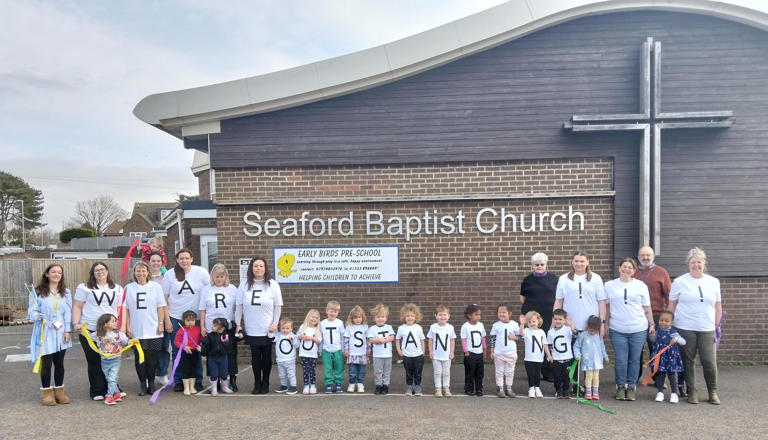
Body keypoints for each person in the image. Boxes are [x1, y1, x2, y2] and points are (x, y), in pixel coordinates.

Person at [668, 247, 722, 405]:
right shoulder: (679, 282)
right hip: (685, 327)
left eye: (699, 262)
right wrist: (670, 326)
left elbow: (718, 306)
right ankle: (692, 391)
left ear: (704, 263)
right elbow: (672, 305)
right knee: (688, 361)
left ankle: (712, 391)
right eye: (693, 262)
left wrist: (716, 325)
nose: (696, 265)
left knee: (709, 361)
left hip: (707, 328)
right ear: (688, 264)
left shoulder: (713, 282)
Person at [605, 257, 654, 401]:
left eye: (630, 267)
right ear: (619, 268)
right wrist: (604, 323)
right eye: (624, 266)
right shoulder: (609, 285)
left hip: (638, 329)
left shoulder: (641, 286)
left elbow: (647, 307)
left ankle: (631, 386)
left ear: (634, 271)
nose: (626, 269)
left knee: (634, 359)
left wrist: (651, 324)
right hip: (617, 329)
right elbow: (606, 306)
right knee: (621, 359)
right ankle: (620, 386)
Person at [72, 262, 123, 401]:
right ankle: (96, 390)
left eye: (102, 269)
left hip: (110, 332)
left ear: (107, 271)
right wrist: (76, 323)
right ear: (93, 273)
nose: (100, 272)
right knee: (94, 360)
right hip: (89, 331)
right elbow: (77, 306)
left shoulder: (117, 288)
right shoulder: (84, 288)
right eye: (97, 270)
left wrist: (120, 326)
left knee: (110, 360)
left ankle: (113, 388)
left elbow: (120, 309)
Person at [162, 248, 209, 392]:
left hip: (195, 319)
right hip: (176, 317)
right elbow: (164, 299)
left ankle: (197, 381)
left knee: (195, 350)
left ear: (192, 259)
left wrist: (204, 321)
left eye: (187, 258)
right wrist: (167, 320)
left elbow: (209, 292)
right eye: (181, 258)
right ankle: (178, 381)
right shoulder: (170, 274)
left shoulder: (201, 272)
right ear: (177, 260)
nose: (184, 261)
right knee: (177, 350)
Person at [235, 256, 282, 395]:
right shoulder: (244, 285)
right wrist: (238, 324)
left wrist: (275, 323)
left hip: (267, 328)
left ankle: (265, 383)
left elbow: (278, 306)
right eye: (256, 266)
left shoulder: (272, 284)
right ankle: (257, 383)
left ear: (265, 268)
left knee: (266, 357)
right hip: (252, 328)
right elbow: (239, 306)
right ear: (251, 268)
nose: (258, 268)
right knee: (255, 358)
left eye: (261, 266)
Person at [28, 263, 72, 406]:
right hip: (45, 332)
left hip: (61, 333)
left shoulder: (66, 292)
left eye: (59, 272)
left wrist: (67, 330)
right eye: (53, 272)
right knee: (46, 364)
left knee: (59, 364)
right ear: (47, 274)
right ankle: (47, 394)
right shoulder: (37, 292)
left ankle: (59, 392)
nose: (56, 274)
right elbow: (31, 311)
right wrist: (36, 315)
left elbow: (67, 313)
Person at [123, 262, 165, 396]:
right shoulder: (129, 288)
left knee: (152, 358)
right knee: (139, 358)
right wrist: (127, 326)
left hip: (153, 328)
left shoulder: (156, 287)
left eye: (143, 271)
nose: (141, 273)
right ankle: (142, 384)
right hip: (136, 329)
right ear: (134, 273)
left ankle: (151, 384)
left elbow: (160, 307)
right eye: (138, 271)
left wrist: (161, 323)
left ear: (148, 272)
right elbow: (126, 309)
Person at [199, 263, 240, 392]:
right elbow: (202, 309)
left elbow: (237, 308)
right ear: (212, 276)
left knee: (230, 353)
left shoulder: (232, 289)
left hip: (227, 327)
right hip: (212, 327)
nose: (219, 279)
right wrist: (202, 326)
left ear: (226, 276)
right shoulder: (206, 289)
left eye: (222, 276)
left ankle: (231, 380)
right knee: (212, 354)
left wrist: (237, 324)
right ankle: (214, 381)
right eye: (217, 276)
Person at [635, 246, 672, 388]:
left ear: (653, 256)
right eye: (642, 255)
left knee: (656, 349)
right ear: (638, 257)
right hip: (636, 316)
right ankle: (634, 377)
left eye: (648, 255)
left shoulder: (661, 272)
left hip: (656, 317)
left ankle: (658, 379)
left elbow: (669, 295)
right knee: (636, 349)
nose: (645, 257)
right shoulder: (633, 272)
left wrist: (667, 316)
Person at [520, 252, 559, 382]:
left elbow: (558, 297)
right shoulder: (527, 280)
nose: (539, 266)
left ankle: (548, 372)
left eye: (542, 264)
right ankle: (533, 371)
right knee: (532, 342)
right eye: (537, 264)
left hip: (548, 315)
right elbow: (522, 298)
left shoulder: (554, 279)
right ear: (532, 265)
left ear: (546, 264)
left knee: (546, 341)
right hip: (533, 316)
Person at [553, 251, 607, 336]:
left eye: (582, 261)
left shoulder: (596, 278)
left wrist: (602, 323)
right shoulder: (564, 279)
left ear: (587, 262)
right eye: (576, 261)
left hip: (591, 326)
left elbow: (601, 302)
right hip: (569, 325)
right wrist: (554, 322)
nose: (579, 264)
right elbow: (559, 301)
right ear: (572, 262)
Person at [93, 313, 131, 405]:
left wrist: (133, 341)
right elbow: (86, 335)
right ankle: (117, 393)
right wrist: (80, 329)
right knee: (109, 378)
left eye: (115, 321)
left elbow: (127, 342)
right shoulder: (98, 334)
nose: (115, 323)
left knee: (112, 378)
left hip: (116, 360)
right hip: (104, 361)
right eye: (113, 321)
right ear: (105, 324)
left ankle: (109, 396)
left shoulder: (119, 334)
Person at [649, 311, 686, 403]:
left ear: (671, 322)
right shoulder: (658, 330)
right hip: (660, 357)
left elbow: (683, 342)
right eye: (661, 320)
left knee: (671, 375)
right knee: (660, 375)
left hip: (670, 357)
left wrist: (676, 339)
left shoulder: (673, 332)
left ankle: (674, 394)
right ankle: (660, 392)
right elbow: (653, 340)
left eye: (666, 321)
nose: (663, 322)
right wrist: (652, 335)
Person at [573, 315, 609, 400]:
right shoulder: (582, 335)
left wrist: (606, 357)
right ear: (587, 326)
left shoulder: (599, 336)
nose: (592, 332)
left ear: (598, 329)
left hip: (597, 360)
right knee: (589, 376)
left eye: (594, 330)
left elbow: (602, 348)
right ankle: (588, 391)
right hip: (587, 360)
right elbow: (576, 346)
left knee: (596, 376)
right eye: (590, 330)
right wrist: (577, 355)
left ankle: (595, 392)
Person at [149, 253, 171, 387]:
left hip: (164, 314)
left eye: (158, 261)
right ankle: (149, 375)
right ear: (149, 262)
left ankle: (162, 373)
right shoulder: (143, 275)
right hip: (148, 316)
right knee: (149, 348)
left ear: (162, 262)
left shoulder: (167, 276)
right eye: (153, 261)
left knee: (163, 346)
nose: (156, 263)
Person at [490, 303, 520, 398]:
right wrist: (492, 351)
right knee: (499, 371)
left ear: (509, 313)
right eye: (499, 312)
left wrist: (514, 337)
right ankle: (500, 388)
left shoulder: (514, 324)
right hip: (499, 353)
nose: (501, 314)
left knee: (510, 371)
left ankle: (509, 388)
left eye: (504, 312)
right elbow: (493, 339)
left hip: (511, 352)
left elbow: (521, 337)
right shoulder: (496, 325)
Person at [395, 303, 426, 396]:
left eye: (412, 316)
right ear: (404, 317)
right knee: (408, 372)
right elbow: (397, 340)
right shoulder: (401, 328)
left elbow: (422, 340)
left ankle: (417, 386)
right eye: (407, 316)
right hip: (407, 355)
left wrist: (423, 351)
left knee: (418, 372)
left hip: (418, 354)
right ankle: (409, 386)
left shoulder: (419, 328)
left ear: (416, 317)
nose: (410, 318)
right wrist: (399, 350)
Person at [520, 310, 552, 398]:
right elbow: (521, 333)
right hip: (529, 358)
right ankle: (531, 388)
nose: (532, 323)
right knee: (530, 374)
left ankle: (537, 388)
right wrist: (522, 324)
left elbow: (545, 344)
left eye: (533, 321)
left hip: (539, 358)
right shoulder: (526, 330)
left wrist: (548, 355)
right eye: (529, 322)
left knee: (537, 374)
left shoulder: (542, 332)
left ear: (539, 321)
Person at [427, 304, 456, 398]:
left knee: (446, 372)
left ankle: (446, 388)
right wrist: (430, 351)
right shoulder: (433, 327)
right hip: (436, 355)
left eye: (444, 315)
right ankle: (438, 388)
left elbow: (452, 340)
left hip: (446, 355)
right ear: (436, 316)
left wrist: (452, 352)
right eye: (440, 315)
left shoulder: (450, 327)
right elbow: (430, 340)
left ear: (448, 316)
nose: (442, 316)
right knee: (437, 372)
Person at [199, 317, 234, 396]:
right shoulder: (209, 336)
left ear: (222, 328)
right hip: (212, 358)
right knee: (213, 374)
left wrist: (239, 334)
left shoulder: (226, 335)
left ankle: (224, 387)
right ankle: (214, 388)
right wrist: (201, 349)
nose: (212, 326)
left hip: (223, 357)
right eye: (213, 324)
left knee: (224, 373)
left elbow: (233, 336)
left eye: (214, 325)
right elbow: (205, 346)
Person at [368, 303, 395, 395]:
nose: (380, 319)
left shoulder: (389, 327)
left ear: (386, 318)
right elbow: (371, 339)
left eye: (382, 317)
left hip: (388, 355)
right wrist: (378, 340)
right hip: (377, 355)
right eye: (378, 317)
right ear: (374, 318)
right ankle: (378, 385)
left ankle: (385, 385)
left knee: (386, 371)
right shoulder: (372, 328)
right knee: (378, 371)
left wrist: (384, 340)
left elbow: (392, 337)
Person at [547, 309, 575, 399]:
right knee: (557, 376)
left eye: (560, 319)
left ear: (564, 320)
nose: (558, 321)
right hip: (556, 358)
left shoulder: (568, 329)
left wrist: (571, 325)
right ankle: (558, 390)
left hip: (567, 358)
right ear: (553, 319)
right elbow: (549, 345)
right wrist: (549, 355)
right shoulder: (550, 332)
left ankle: (566, 391)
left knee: (566, 376)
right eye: (555, 319)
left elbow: (576, 335)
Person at [174, 310, 202, 396]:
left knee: (193, 369)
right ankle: (186, 388)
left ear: (195, 320)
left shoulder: (198, 329)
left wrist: (200, 346)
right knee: (186, 370)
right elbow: (176, 342)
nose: (190, 322)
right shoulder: (181, 330)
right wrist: (184, 347)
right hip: (185, 353)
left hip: (195, 352)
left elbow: (202, 339)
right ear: (184, 321)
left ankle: (192, 387)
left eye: (192, 320)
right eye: (188, 320)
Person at [460, 304, 486, 397]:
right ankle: (469, 388)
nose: (479, 317)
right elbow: (463, 340)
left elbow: (483, 337)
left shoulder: (481, 325)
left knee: (480, 372)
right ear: (469, 315)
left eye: (480, 315)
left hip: (479, 353)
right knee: (470, 372)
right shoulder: (465, 326)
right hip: (470, 353)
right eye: (476, 314)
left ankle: (479, 389)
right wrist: (466, 351)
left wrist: (484, 349)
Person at [320, 300, 345, 393]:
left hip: (337, 350)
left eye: (335, 311)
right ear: (326, 311)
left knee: (339, 367)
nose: (333, 313)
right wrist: (320, 350)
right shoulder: (322, 323)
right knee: (327, 368)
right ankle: (329, 384)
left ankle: (338, 383)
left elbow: (342, 337)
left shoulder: (340, 323)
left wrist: (343, 349)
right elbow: (321, 338)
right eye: (331, 311)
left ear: (338, 312)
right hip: (326, 350)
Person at [343, 305, 369, 393]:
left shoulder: (365, 327)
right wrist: (346, 349)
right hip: (352, 353)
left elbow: (368, 339)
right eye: (355, 318)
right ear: (351, 318)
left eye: (359, 317)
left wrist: (368, 348)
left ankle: (360, 384)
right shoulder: (349, 327)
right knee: (352, 371)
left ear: (362, 317)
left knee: (362, 371)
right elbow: (346, 340)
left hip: (362, 353)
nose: (357, 319)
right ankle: (352, 384)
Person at [297, 309, 322, 395]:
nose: (314, 319)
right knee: (305, 370)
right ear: (308, 317)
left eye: (316, 318)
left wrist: (311, 338)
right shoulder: (303, 327)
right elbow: (298, 336)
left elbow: (319, 340)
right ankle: (306, 386)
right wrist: (302, 337)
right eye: (312, 317)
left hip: (312, 354)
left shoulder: (317, 329)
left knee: (312, 370)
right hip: (304, 353)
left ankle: (313, 386)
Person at [274, 317, 299, 394]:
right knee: (282, 374)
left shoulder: (293, 336)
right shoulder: (278, 335)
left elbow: (297, 345)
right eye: (283, 328)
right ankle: (283, 385)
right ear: (280, 328)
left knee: (291, 374)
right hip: (280, 359)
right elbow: (271, 337)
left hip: (290, 359)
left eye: (287, 328)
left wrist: (293, 341)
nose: (285, 330)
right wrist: (272, 330)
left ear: (291, 328)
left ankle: (293, 386)